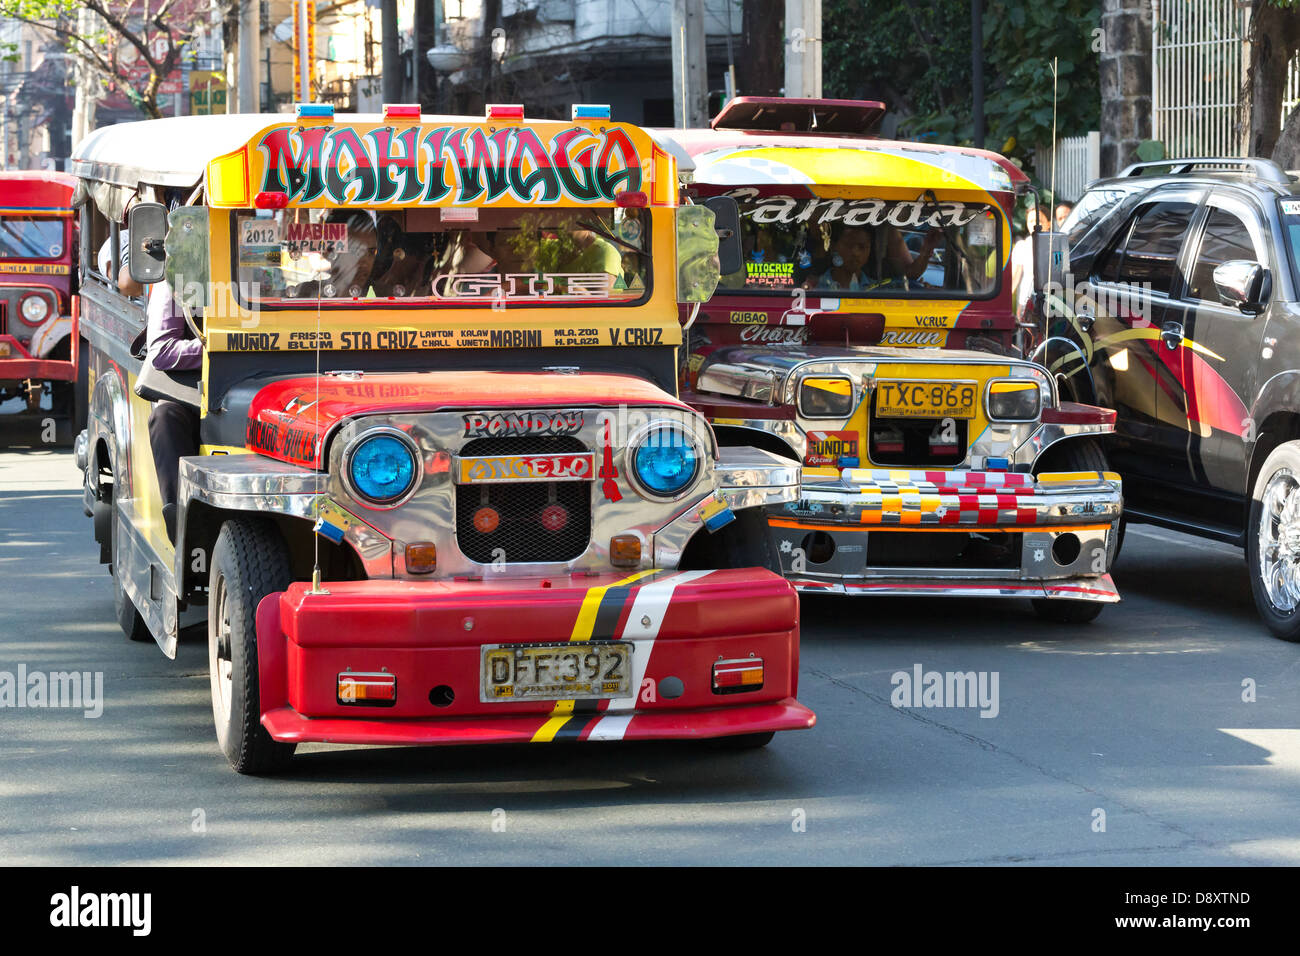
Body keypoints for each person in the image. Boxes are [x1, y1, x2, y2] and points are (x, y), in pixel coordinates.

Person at [807, 223, 940, 292]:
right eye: (848, 245)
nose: (855, 253)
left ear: (870, 250)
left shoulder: (882, 289)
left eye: (862, 247)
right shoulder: (814, 287)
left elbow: (910, 277)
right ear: (833, 247)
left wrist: (927, 249)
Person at [1011, 205, 1052, 319]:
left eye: (1039, 221)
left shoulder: (1056, 245)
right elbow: (1015, 278)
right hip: (1026, 303)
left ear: (1049, 223)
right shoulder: (1022, 247)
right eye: (1031, 221)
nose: (1034, 224)